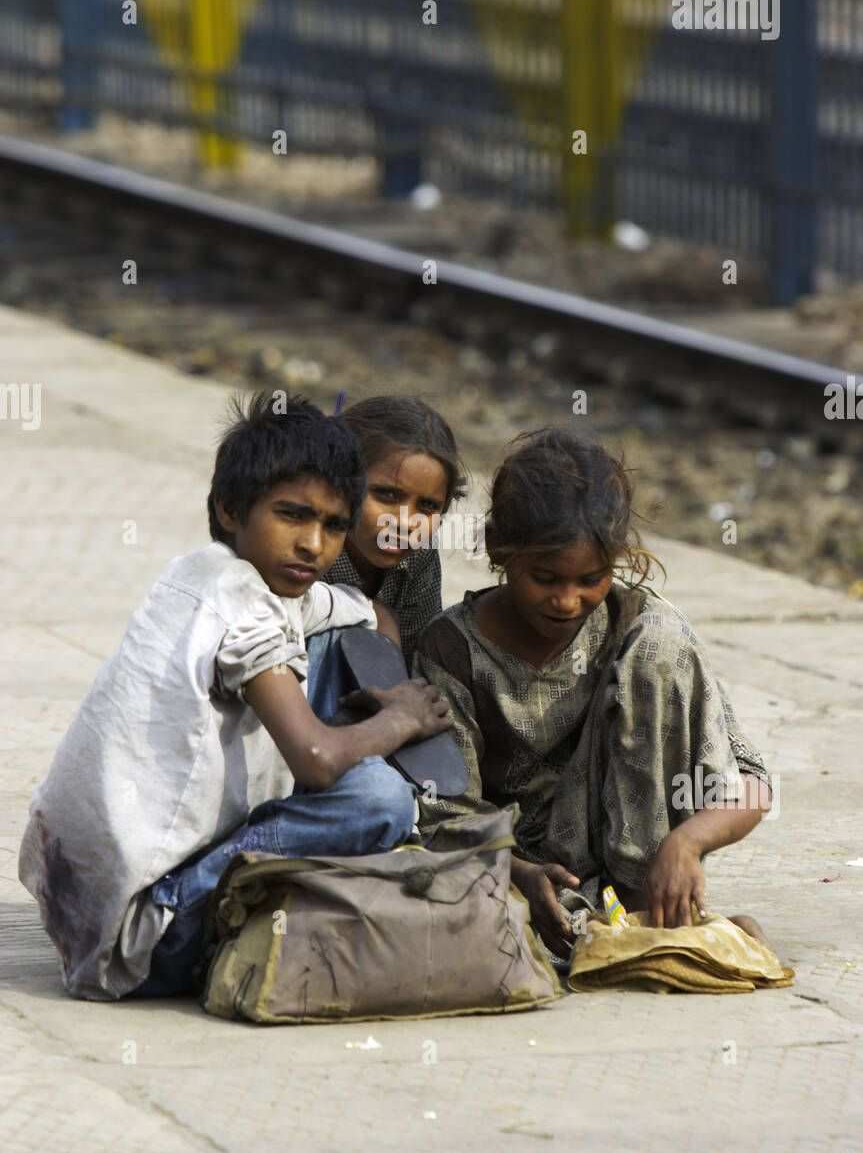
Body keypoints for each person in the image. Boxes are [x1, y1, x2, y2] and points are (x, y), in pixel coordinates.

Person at [19, 392, 452, 1000]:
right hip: (140, 939)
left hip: (75, 903)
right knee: (379, 801)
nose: (314, 545)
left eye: (333, 525)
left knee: (342, 644)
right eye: (293, 515)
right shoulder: (241, 603)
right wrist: (398, 721)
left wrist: (375, 635)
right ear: (228, 508)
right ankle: (248, 889)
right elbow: (317, 760)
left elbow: (361, 611)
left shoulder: (205, 569)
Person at [412, 427, 772, 961]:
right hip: (524, 871)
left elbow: (752, 785)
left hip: (639, 872)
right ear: (496, 549)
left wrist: (687, 843)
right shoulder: (453, 648)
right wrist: (521, 873)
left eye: (591, 578)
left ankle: (642, 913)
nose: (567, 600)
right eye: (544, 577)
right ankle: (638, 931)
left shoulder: (641, 624)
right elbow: (445, 813)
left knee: (660, 649)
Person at [323, 396, 465, 667]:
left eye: (427, 506)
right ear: (339, 482)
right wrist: (377, 616)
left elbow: (417, 661)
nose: (406, 522)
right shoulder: (313, 545)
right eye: (386, 494)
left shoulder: (419, 557)